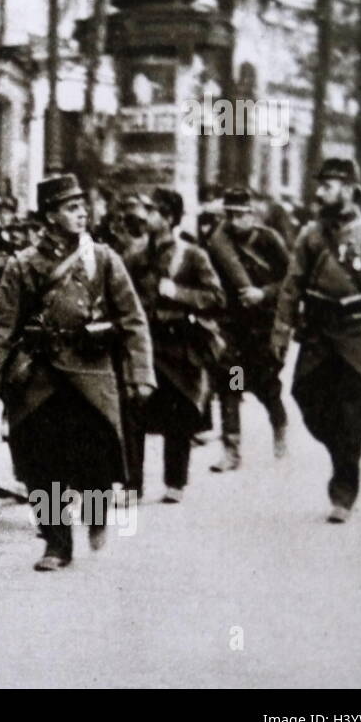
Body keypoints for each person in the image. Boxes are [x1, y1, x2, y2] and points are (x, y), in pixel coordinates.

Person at [0, 173, 154, 571]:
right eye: (72, 208)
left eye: (82, 207)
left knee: (92, 459)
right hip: (38, 378)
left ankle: (95, 514)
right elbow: (0, 326)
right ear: (51, 216)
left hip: (91, 373)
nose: (82, 214)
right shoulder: (23, 265)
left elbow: (132, 319)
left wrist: (141, 373)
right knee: (41, 464)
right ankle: (56, 544)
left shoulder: (103, 259)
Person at [273, 158, 361, 523]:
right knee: (306, 395)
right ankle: (342, 453)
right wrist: (281, 332)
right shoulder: (309, 236)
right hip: (318, 333)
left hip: (359, 335)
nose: (319, 193)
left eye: (328, 186)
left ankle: (344, 491)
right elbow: (291, 286)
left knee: (351, 413)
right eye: (320, 186)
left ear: (350, 189)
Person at [122, 188, 226, 503]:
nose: (145, 217)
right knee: (134, 414)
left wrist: (178, 293)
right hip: (146, 346)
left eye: (152, 211)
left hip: (180, 348)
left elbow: (216, 298)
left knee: (178, 417)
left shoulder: (192, 255)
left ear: (168, 218)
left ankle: (175, 483)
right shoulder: (135, 255)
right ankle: (132, 486)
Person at [205, 187, 290, 470]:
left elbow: (289, 283)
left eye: (240, 214)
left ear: (251, 213)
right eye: (229, 214)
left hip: (264, 326)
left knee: (267, 386)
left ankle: (279, 428)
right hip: (233, 326)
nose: (234, 219)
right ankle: (232, 450)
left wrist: (263, 294)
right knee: (232, 381)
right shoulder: (219, 243)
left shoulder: (269, 241)